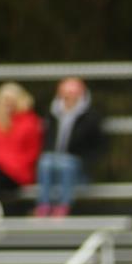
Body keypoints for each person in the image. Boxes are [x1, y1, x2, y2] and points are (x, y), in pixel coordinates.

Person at [37, 77, 105, 218]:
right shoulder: (52, 114)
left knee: (67, 164)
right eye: (66, 93)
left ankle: (64, 206)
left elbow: (97, 147)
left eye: (74, 93)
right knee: (45, 161)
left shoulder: (90, 116)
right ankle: (43, 205)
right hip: (54, 162)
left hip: (78, 165)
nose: (69, 97)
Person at [0, 82, 42, 225]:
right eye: (4, 100)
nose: (8, 104)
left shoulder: (29, 122)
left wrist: (7, 164)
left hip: (19, 173)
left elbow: (32, 153)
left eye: (11, 100)